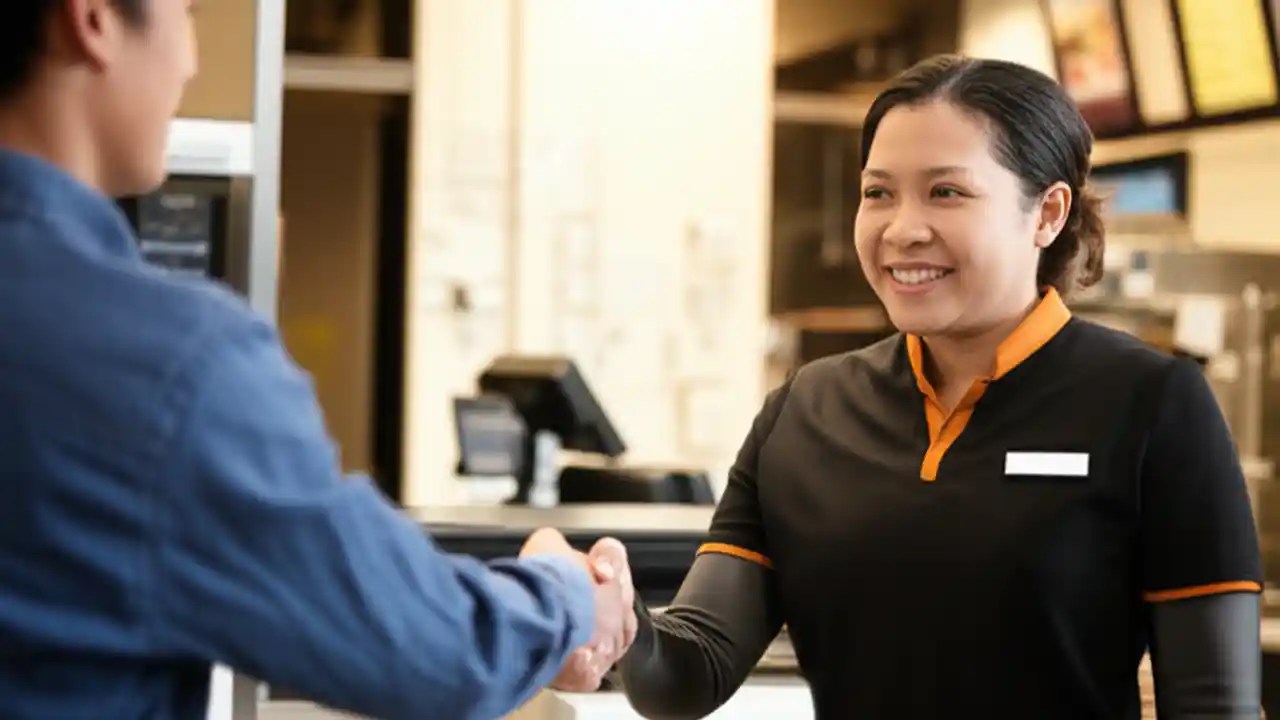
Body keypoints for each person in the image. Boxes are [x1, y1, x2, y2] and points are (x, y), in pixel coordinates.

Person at [0, 2, 635, 718]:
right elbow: (435, 652)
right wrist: (564, 589)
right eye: (185, 11)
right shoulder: (169, 366)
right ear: (91, 18)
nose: (192, 60)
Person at [607, 54, 1264, 719]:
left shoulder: (1153, 403)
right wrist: (610, 614)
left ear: (1048, 214)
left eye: (946, 192)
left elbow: (1213, 708)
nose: (902, 229)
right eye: (879, 192)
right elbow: (686, 677)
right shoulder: (805, 409)